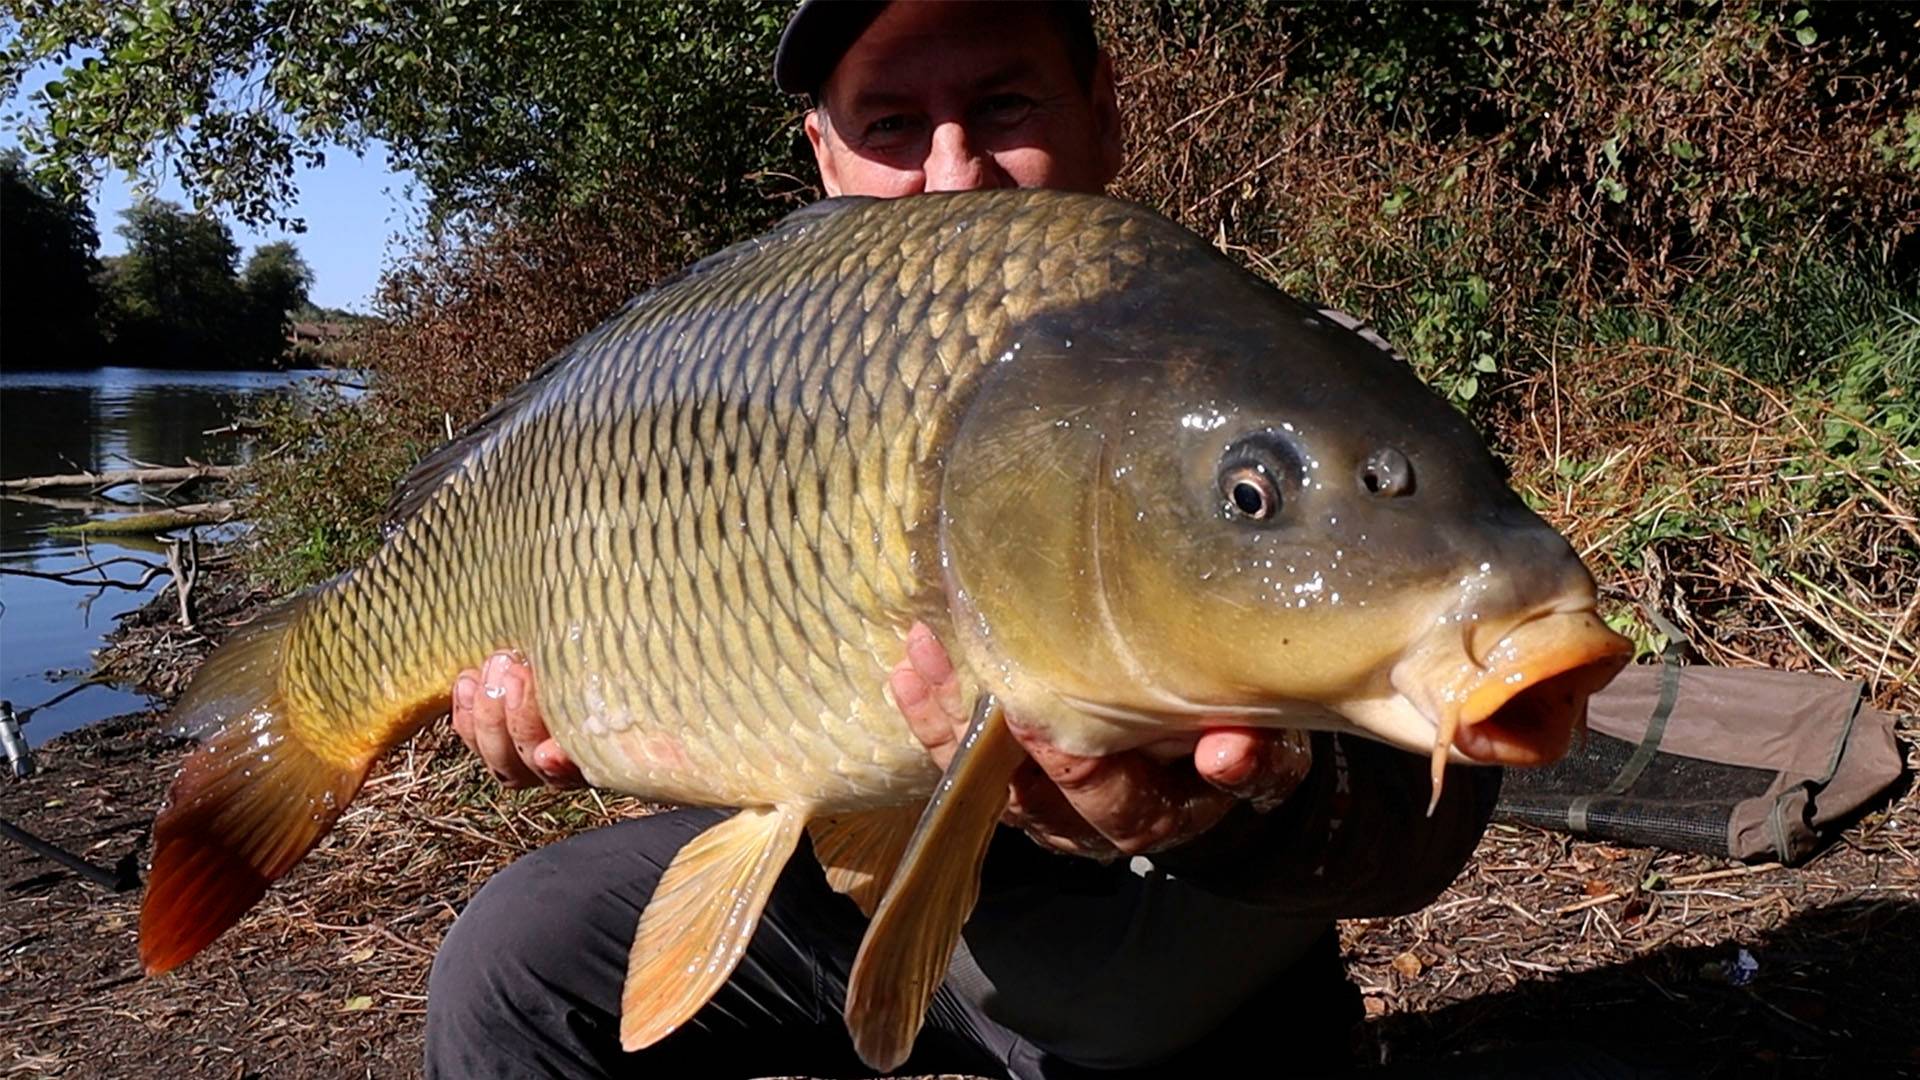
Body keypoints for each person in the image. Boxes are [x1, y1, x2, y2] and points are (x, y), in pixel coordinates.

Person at [425, 4, 1497, 1077]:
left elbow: (1430, 802)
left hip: (1156, 975)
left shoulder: (1276, 382)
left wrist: (1235, 809)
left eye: (1004, 105)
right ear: (824, 154)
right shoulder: (732, 381)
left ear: (1103, 110)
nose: (954, 169)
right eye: (891, 124)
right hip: (856, 875)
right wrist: (595, 707)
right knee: (514, 968)